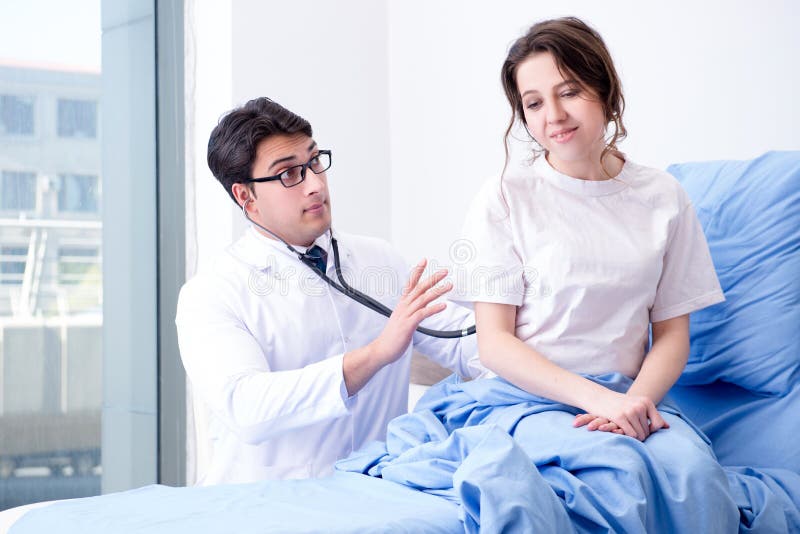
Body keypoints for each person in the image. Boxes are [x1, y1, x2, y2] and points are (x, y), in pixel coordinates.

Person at [455, 16, 739, 529]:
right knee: (614, 474)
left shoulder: (662, 197)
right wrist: (596, 400)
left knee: (695, 477)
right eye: (534, 102)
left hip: (633, 398)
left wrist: (631, 404)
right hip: (531, 398)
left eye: (570, 92)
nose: (554, 115)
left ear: (605, 92)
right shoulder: (505, 194)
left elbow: (673, 333)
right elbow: (493, 343)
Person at [176, 97, 483, 485]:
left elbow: (462, 340)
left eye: (314, 162)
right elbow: (247, 408)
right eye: (289, 174)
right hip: (268, 511)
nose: (316, 185)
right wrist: (374, 356)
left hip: (376, 500)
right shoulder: (212, 293)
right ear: (246, 197)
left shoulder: (379, 260)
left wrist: (559, 367)